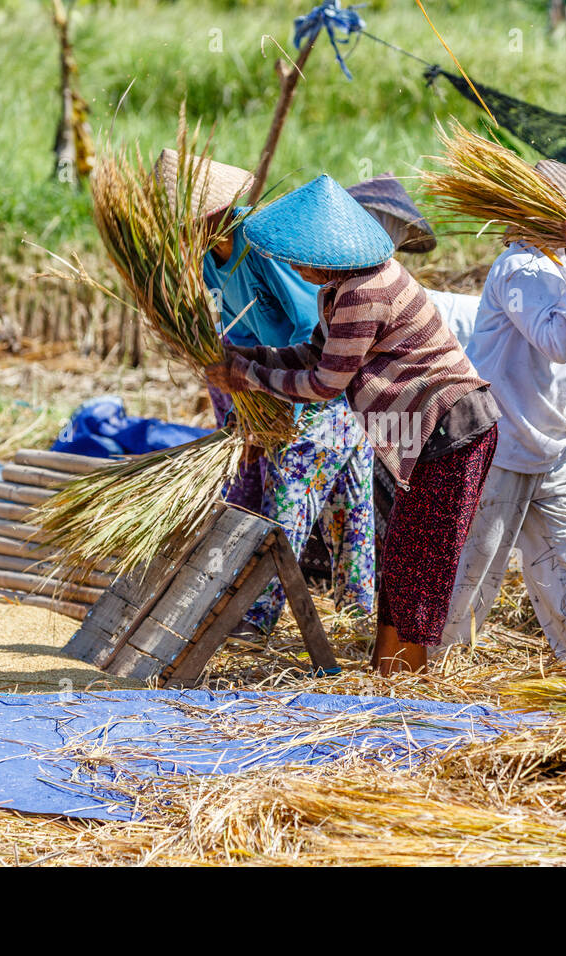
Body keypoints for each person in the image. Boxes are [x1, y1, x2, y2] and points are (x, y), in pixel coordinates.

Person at [204, 175, 500, 675]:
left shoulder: (366, 291)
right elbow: (315, 351)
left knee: (419, 559)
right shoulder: (344, 288)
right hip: (431, 434)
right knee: (405, 555)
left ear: (328, 252)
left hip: (453, 431)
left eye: (301, 256)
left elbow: (324, 383)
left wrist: (250, 376)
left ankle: (405, 678)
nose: (295, 267)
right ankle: (391, 672)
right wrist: (249, 356)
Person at [156, 149, 375, 635]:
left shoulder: (261, 244)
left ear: (213, 212)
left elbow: (308, 327)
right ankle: (360, 619)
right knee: (348, 504)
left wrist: (268, 390)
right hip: (277, 386)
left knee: (289, 510)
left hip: (318, 391)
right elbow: (237, 330)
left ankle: (254, 623)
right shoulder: (208, 257)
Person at [434, 159, 566, 677]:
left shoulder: (559, 265)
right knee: (475, 567)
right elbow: (556, 339)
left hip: (553, 443)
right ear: (544, 211)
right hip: (504, 441)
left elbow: (565, 353)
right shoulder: (519, 268)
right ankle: (432, 671)